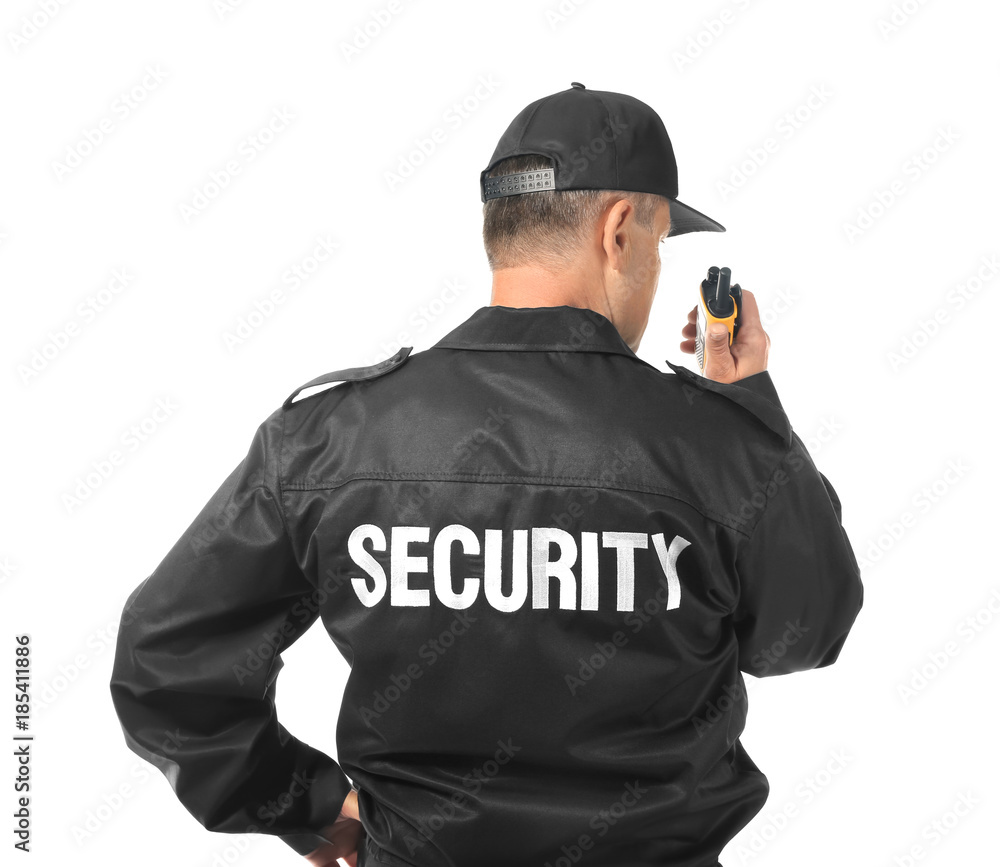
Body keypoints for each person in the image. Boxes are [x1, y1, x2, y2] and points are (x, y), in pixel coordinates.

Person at [109, 82, 864, 867]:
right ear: (617, 232)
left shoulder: (328, 439)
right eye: (660, 241)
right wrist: (745, 407)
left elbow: (166, 665)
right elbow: (803, 632)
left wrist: (309, 803)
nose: (656, 268)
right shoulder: (711, 445)